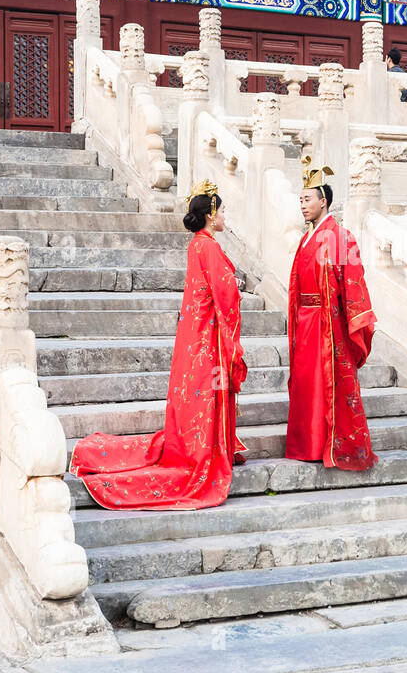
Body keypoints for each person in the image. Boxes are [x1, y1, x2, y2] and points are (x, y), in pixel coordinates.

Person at [69, 181, 247, 510]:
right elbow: (224, 293)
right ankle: (206, 450)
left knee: (197, 392)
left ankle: (209, 445)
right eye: (221, 211)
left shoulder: (197, 244)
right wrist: (236, 287)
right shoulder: (208, 246)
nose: (224, 216)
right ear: (210, 215)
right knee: (207, 392)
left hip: (193, 331)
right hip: (206, 334)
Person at [284, 157, 378, 471]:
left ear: (324, 202)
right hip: (305, 321)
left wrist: (352, 321)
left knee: (326, 384)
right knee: (305, 384)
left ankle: (330, 444)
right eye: (300, 200)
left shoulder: (340, 237)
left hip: (328, 324)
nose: (303, 205)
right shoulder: (305, 239)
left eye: (308, 199)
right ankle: (306, 445)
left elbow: (353, 279)